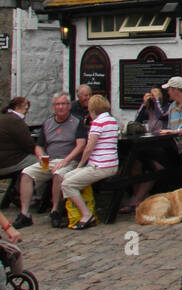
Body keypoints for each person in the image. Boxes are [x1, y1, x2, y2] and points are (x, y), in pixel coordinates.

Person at [15, 93, 86, 229]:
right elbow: (39, 145)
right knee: (26, 173)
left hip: (69, 160)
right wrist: (41, 156)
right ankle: (25, 214)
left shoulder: (77, 122)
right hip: (51, 159)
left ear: (69, 106)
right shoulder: (48, 123)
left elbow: (80, 145)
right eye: (57, 104)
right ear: (53, 107)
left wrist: (65, 161)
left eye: (63, 104)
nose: (60, 107)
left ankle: (55, 211)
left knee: (58, 174)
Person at [60, 94, 119, 229]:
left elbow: (89, 148)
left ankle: (86, 214)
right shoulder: (112, 120)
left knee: (68, 184)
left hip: (99, 166)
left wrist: (80, 165)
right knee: (67, 177)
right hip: (111, 164)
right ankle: (74, 212)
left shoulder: (98, 123)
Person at [0, 98, 38, 181]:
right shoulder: (15, 120)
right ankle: (34, 191)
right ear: (17, 107)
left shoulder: (4, 117)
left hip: (3, 159)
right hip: (6, 163)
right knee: (41, 162)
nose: (27, 110)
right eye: (26, 107)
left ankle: (18, 188)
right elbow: (29, 145)